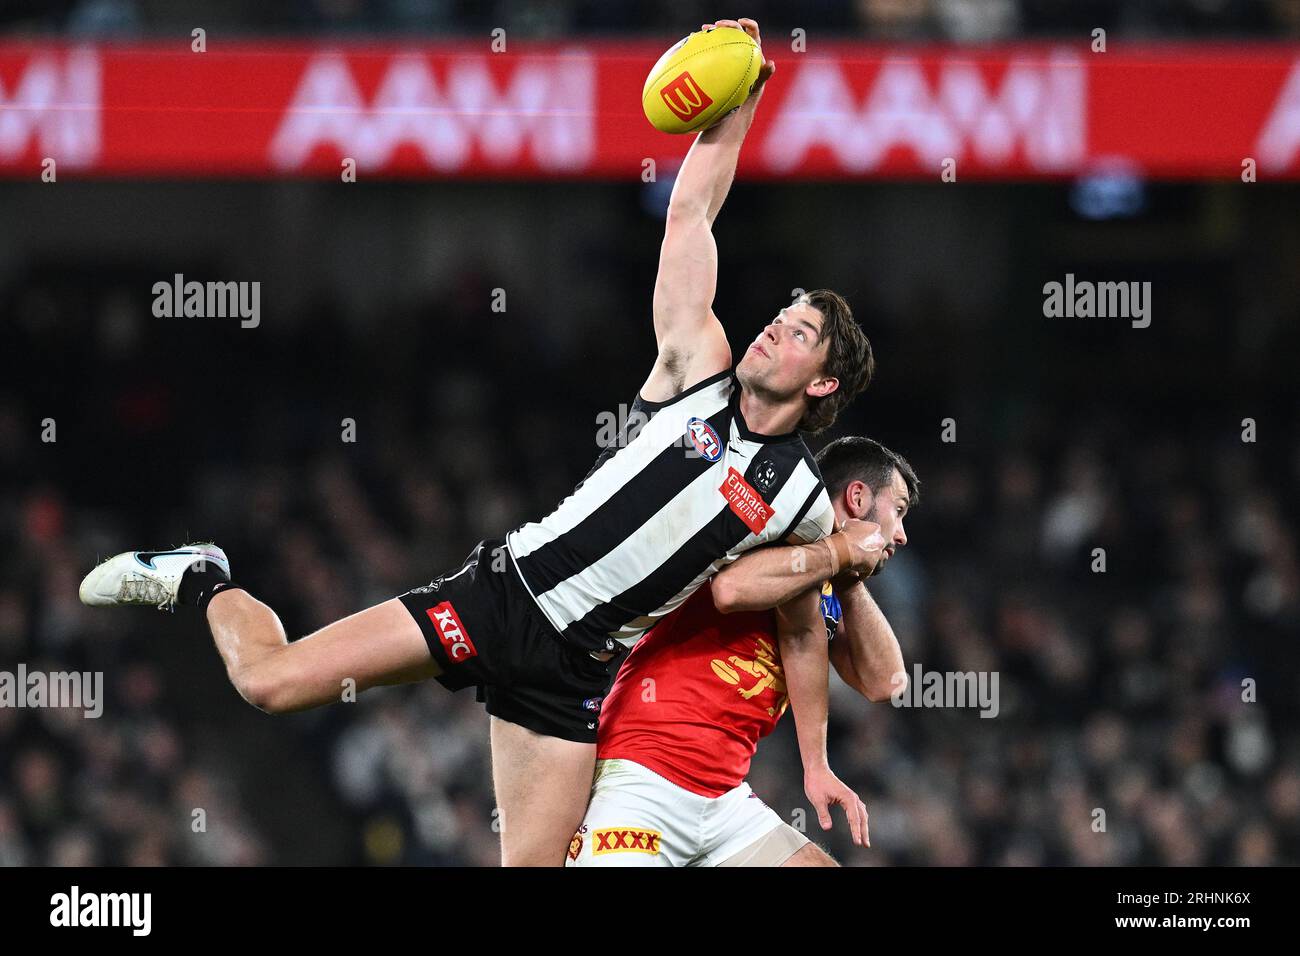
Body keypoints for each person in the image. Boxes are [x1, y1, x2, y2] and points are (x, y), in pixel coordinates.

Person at [77, 17, 881, 866]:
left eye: (797, 337)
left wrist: (828, 685)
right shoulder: (698, 368)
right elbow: (689, 214)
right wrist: (745, 96)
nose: (771, 333)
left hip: (577, 673)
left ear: (822, 384)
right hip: (506, 598)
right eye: (780, 319)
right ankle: (202, 575)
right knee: (268, 684)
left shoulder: (798, 496)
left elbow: (796, 625)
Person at [567, 437, 917, 867]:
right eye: (897, 510)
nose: (901, 533)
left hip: (724, 797)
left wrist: (848, 576)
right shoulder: (778, 521)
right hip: (647, 773)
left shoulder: (824, 580)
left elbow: (886, 682)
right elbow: (731, 590)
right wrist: (839, 549)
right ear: (858, 497)